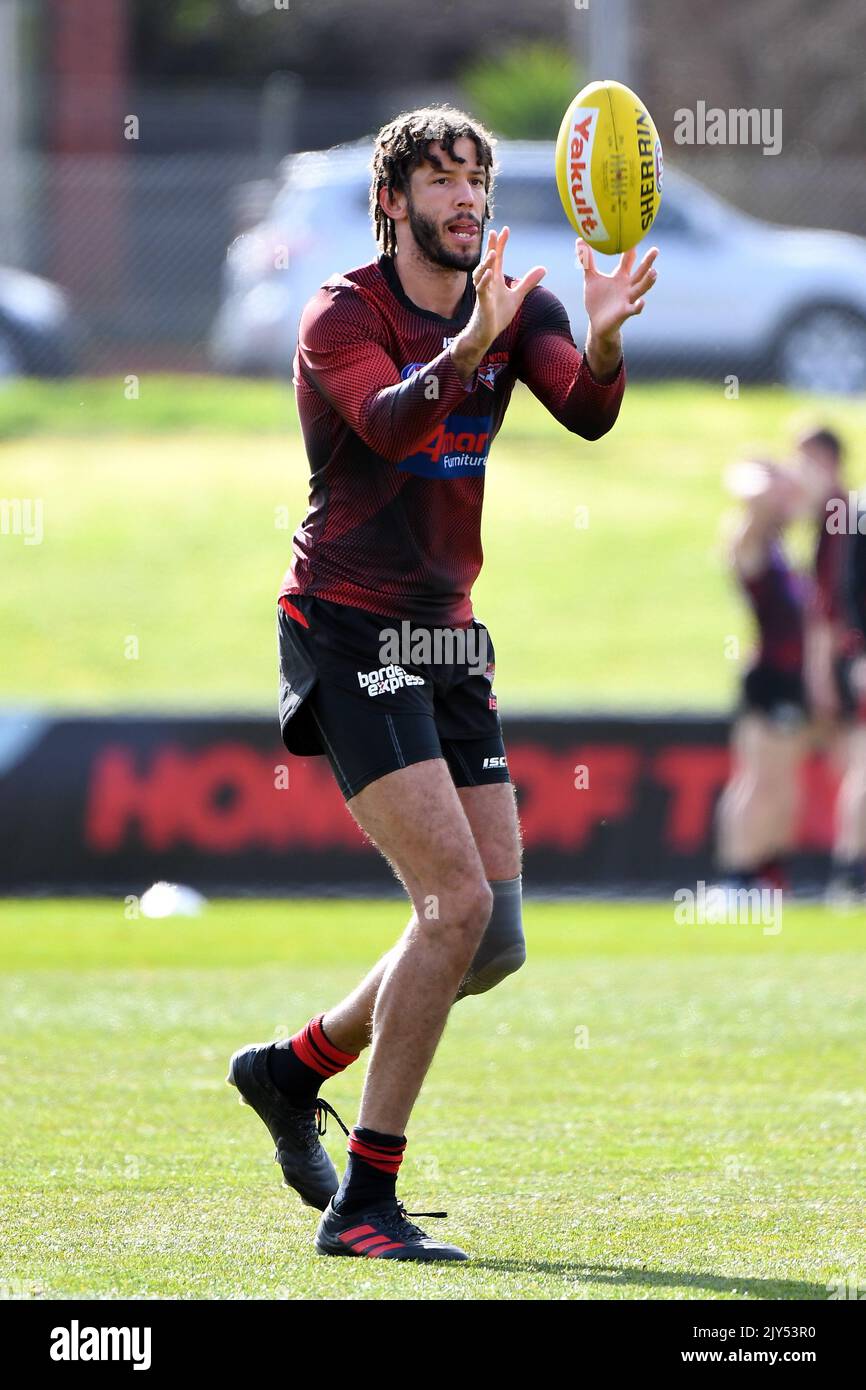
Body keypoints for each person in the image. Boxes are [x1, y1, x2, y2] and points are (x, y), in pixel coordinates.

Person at [227, 105, 658, 1262]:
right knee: (452, 907)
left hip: (447, 637)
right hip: (346, 627)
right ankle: (364, 1203)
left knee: (494, 936)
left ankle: (291, 1067)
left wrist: (603, 340)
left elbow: (586, 409)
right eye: (443, 181)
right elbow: (385, 423)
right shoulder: (341, 313)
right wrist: (467, 348)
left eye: (479, 179)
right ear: (393, 202)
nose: (469, 199)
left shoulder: (517, 305)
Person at [715, 461, 809, 888]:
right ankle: (738, 876)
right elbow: (747, 487)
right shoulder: (751, 541)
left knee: (782, 782)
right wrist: (768, 476)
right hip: (768, 675)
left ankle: (769, 871)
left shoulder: (781, 547)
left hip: (791, 676)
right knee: (757, 778)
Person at [798, 428, 866, 903]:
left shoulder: (843, 513)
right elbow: (832, 602)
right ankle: (849, 872)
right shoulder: (843, 514)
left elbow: (833, 601)